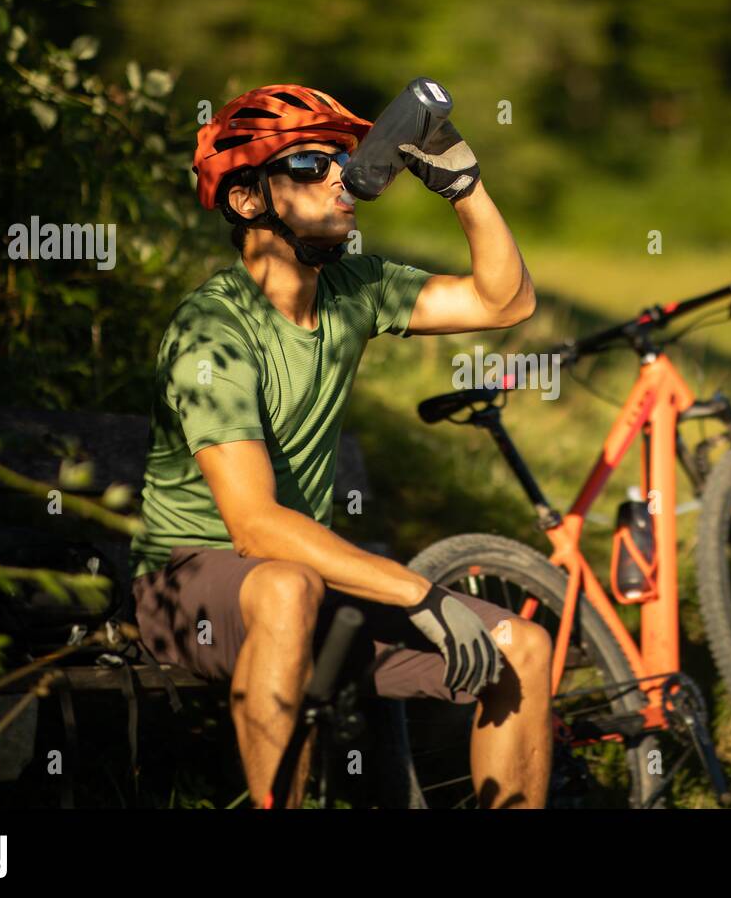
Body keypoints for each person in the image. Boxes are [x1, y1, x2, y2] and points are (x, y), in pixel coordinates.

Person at [128, 84, 552, 808]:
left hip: (303, 580)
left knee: (524, 649)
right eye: (306, 165)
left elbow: (504, 302)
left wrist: (465, 187)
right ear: (248, 201)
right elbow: (253, 527)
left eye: (342, 161)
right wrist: (418, 592)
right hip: (189, 583)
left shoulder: (354, 289)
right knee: (289, 585)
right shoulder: (213, 331)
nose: (339, 179)